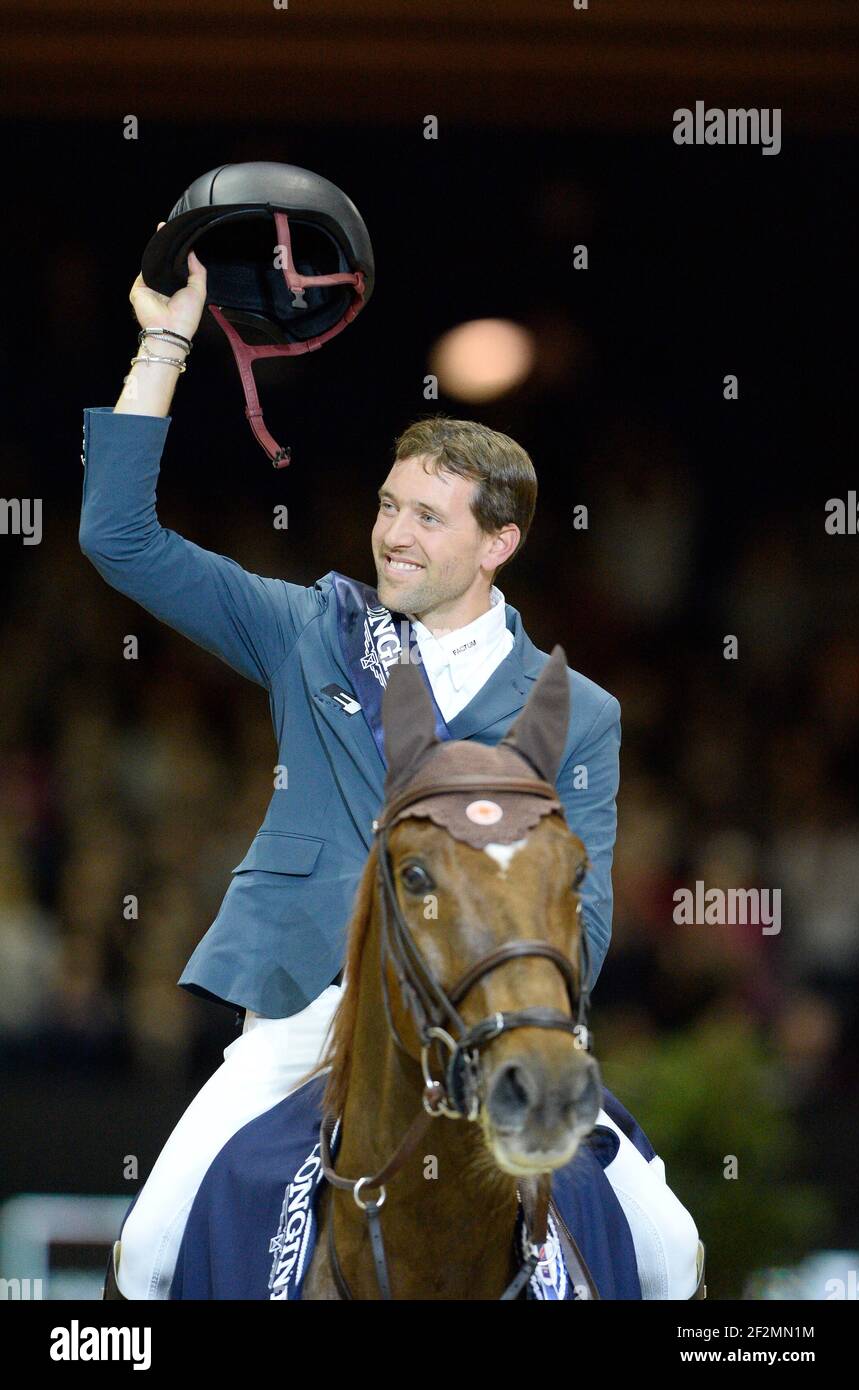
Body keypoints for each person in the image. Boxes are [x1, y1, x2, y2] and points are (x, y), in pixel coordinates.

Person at [79, 235, 701, 1300]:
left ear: (496, 542)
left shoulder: (575, 715)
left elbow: (582, 927)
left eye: (425, 517)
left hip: (485, 1017)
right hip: (307, 1016)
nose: (391, 536)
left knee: (671, 1247)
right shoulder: (310, 632)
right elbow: (119, 537)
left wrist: (488, 1012)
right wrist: (166, 344)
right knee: (143, 1259)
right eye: (386, 506)